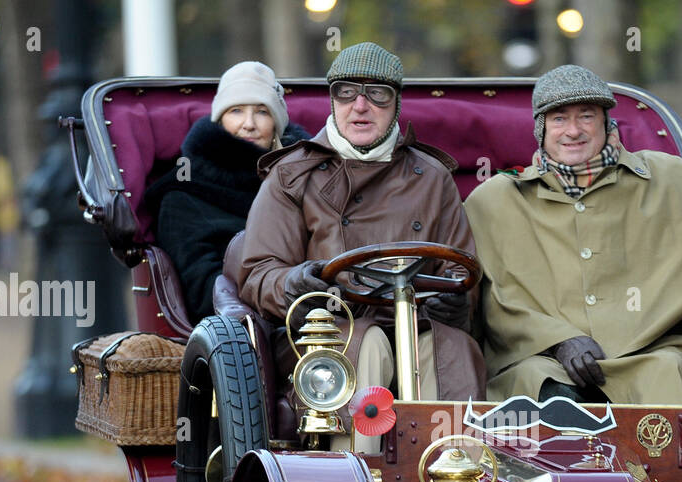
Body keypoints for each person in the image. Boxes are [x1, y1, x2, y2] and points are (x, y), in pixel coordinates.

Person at [464, 65, 682, 406]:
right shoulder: (495, 201)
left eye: (586, 116)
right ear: (540, 129)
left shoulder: (669, 178)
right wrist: (558, 341)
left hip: (652, 353)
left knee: (667, 371)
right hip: (541, 361)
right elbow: (490, 301)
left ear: (607, 123)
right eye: (558, 119)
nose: (573, 131)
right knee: (536, 387)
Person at [237, 41, 486, 428]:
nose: (360, 106)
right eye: (346, 92)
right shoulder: (292, 173)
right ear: (332, 100)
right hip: (324, 329)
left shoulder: (432, 176)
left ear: (397, 104)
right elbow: (258, 273)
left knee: (452, 347)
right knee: (363, 344)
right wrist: (295, 283)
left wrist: (456, 303)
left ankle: (455, 473)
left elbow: (460, 268)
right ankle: (352, 475)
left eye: (378, 95)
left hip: (413, 321)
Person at [145, 61, 308, 320]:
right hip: (237, 332)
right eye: (236, 111)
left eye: (263, 112)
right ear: (220, 120)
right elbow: (203, 292)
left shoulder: (306, 180)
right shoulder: (182, 194)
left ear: (277, 124)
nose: (249, 124)